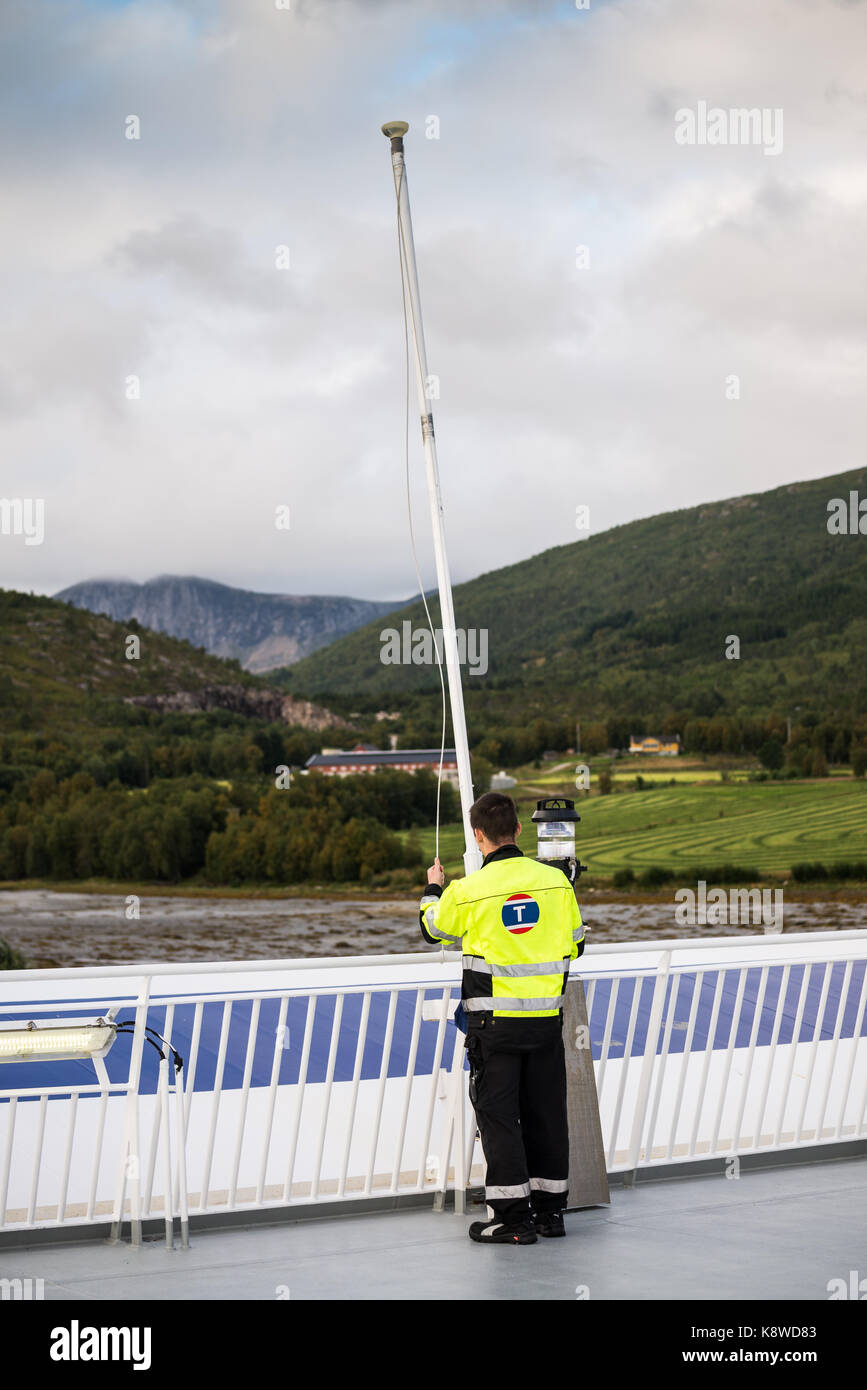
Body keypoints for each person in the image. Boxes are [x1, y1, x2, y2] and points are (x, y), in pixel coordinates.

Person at [418, 791, 585, 1245]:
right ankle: (551, 1214)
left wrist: (433, 887)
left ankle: (512, 1218)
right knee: (546, 1115)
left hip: (494, 1027)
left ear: (478, 836)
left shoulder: (468, 890)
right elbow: (576, 944)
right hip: (546, 1022)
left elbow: (433, 929)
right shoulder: (555, 883)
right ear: (517, 831)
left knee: (499, 1118)